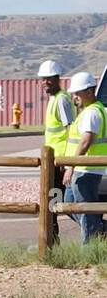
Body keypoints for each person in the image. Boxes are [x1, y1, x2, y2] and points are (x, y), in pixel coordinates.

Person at [63, 71, 106, 243]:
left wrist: (71, 165)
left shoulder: (91, 113)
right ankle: (100, 229)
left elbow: (86, 141)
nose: (75, 96)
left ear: (89, 92)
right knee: (69, 203)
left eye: (78, 93)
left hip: (86, 169)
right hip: (83, 169)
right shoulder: (90, 111)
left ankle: (89, 247)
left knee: (85, 210)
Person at [37, 59, 75, 245]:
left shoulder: (61, 100)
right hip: (52, 161)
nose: (45, 83)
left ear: (57, 79)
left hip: (59, 162)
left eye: (49, 79)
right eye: (43, 79)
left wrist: (67, 162)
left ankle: (52, 240)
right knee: (52, 201)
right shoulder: (53, 99)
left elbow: (70, 131)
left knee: (56, 203)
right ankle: (53, 239)